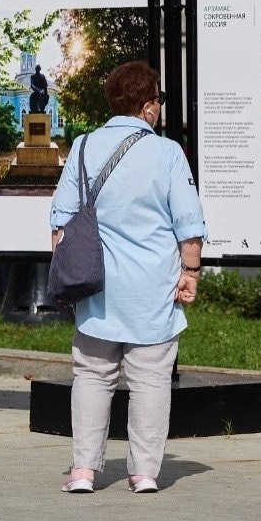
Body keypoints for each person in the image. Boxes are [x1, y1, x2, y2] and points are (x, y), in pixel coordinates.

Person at [48, 60, 207, 495]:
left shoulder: (82, 147)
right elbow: (189, 225)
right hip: (153, 289)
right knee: (151, 378)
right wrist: (189, 271)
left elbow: (59, 226)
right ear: (149, 105)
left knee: (92, 375)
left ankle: (83, 472)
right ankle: (144, 474)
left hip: (95, 288)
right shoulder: (168, 153)